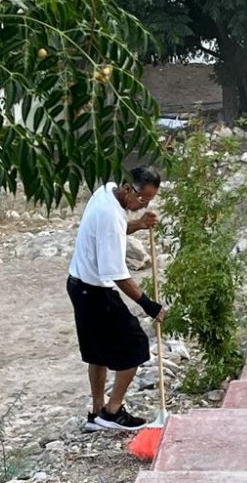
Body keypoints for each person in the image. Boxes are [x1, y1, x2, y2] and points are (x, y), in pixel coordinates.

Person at [67, 166, 165, 432]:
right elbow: (118, 275)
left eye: (150, 200)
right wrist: (149, 305)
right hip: (95, 290)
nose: (143, 204)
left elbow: (114, 232)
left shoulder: (106, 190)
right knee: (135, 344)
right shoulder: (110, 214)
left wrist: (140, 224)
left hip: (78, 284)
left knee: (97, 353)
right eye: (143, 199)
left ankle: (97, 413)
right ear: (127, 188)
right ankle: (112, 412)